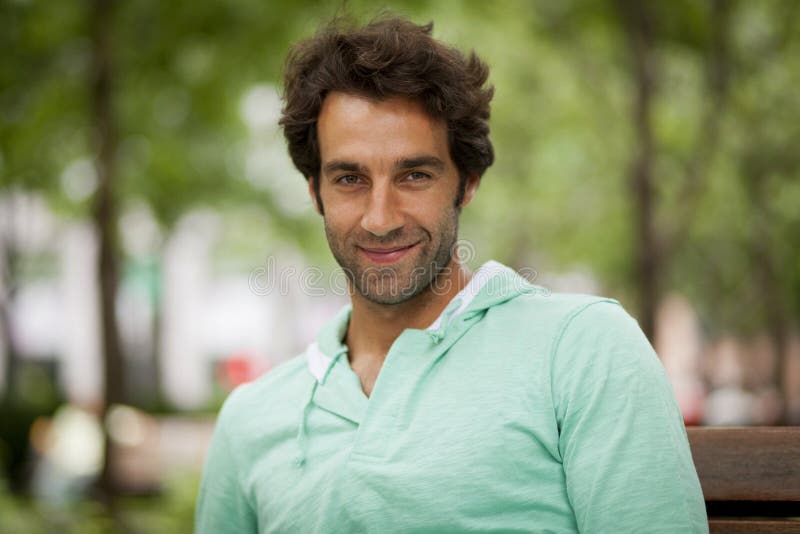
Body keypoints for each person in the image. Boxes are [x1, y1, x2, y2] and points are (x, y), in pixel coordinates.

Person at [196, 16, 708, 533]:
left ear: (467, 182)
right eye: (349, 179)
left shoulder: (582, 349)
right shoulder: (250, 420)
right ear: (315, 193)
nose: (381, 218)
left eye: (414, 175)